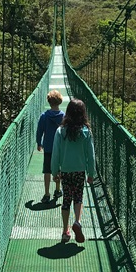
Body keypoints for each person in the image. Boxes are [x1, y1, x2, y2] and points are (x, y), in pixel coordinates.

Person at [51, 98, 96, 243]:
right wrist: (91, 173)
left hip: (65, 170)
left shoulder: (60, 131)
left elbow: (55, 153)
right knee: (78, 197)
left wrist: (54, 171)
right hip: (79, 170)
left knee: (66, 199)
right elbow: (91, 154)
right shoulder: (86, 131)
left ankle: (65, 231)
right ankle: (77, 221)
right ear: (83, 114)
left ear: (68, 112)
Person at [36, 90, 65, 203]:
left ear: (49, 101)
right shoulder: (63, 116)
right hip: (60, 148)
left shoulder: (44, 116)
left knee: (47, 170)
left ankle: (47, 193)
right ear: (59, 101)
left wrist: (39, 143)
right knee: (58, 169)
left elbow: (40, 131)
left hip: (48, 147)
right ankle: (58, 190)